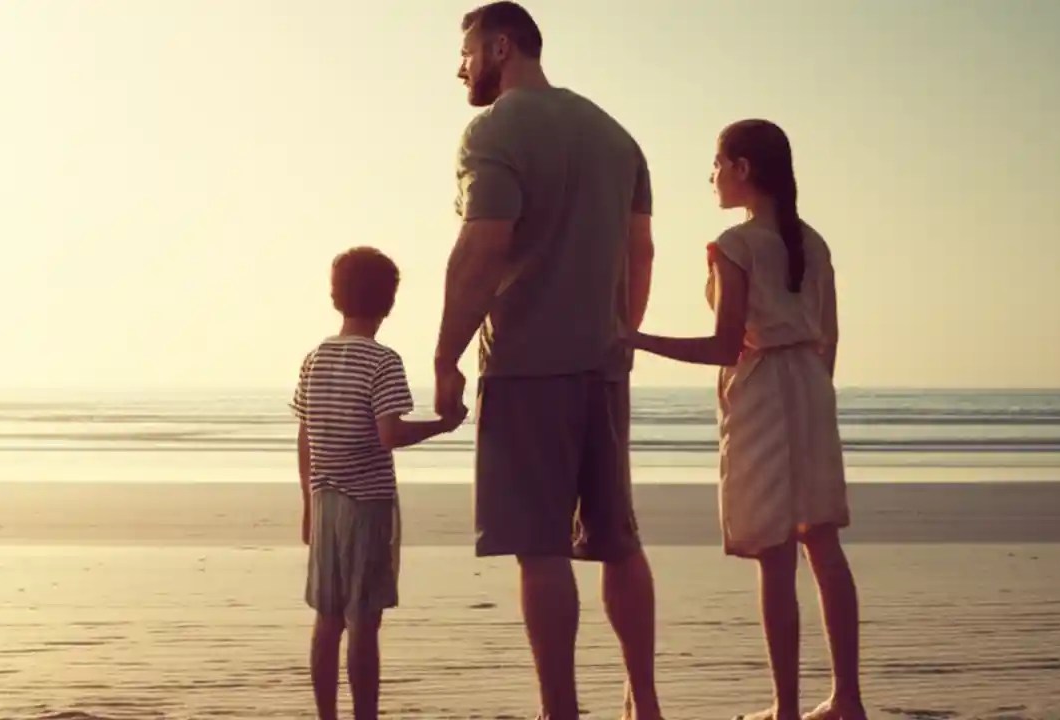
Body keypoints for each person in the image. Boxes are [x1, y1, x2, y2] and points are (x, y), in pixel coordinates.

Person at [431, 3, 662, 719]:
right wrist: (620, 332)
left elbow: (482, 247)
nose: (461, 67)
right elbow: (642, 249)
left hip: (528, 364)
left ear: (502, 46)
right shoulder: (615, 134)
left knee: (541, 548)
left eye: (467, 51)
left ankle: (560, 710)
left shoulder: (494, 130)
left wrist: (445, 357)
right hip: (603, 364)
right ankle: (645, 705)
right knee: (618, 542)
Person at [631, 120, 867, 720]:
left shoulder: (735, 246)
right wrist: (813, 388)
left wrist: (636, 339)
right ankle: (847, 697)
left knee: (775, 554)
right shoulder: (812, 241)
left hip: (762, 391)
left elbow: (724, 344)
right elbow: (830, 334)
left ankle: (785, 708)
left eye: (716, 163)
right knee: (823, 545)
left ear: (741, 169)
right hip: (811, 388)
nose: (710, 175)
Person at [291, 247, 467, 720]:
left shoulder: (315, 359)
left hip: (325, 499)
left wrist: (308, 503)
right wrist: (442, 425)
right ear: (390, 302)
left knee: (327, 620)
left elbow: (306, 435)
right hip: (367, 503)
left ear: (335, 297)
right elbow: (389, 434)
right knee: (363, 623)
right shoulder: (382, 361)